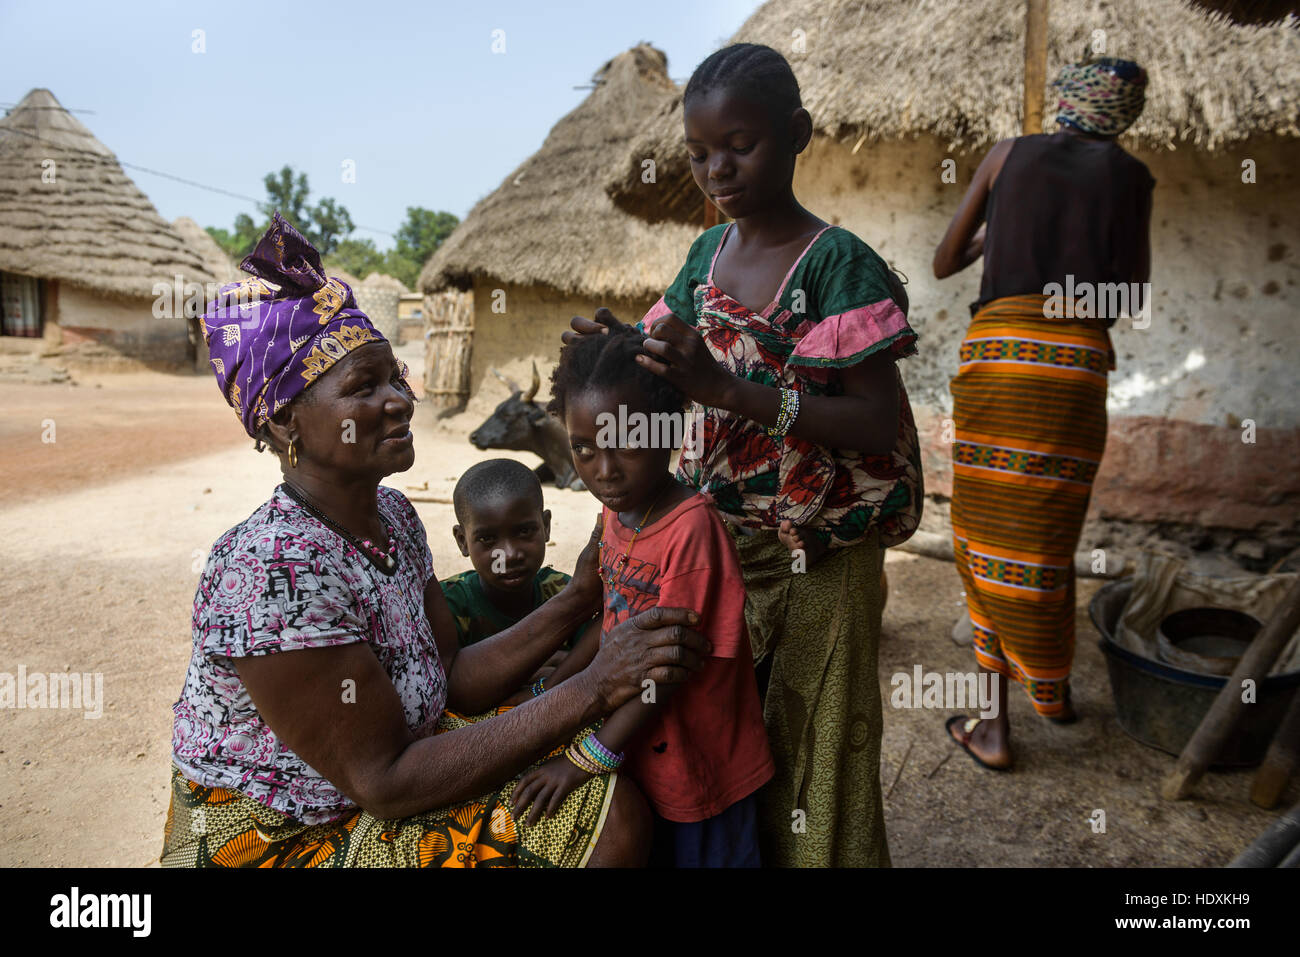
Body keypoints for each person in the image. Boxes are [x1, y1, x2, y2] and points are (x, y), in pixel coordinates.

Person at [162, 213, 711, 868]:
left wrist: (579, 597)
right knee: (602, 816)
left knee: (597, 757)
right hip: (282, 835)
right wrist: (594, 683)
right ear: (285, 422)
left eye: (394, 376)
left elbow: (453, 678)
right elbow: (387, 782)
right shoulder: (272, 569)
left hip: (381, 775)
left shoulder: (392, 515)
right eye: (364, 386)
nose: (400, 399)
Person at [564, 44, 922, 867]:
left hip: (823, 548)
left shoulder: (838, 265)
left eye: (740, 144)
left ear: (796, 134)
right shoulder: (706, 259)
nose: (717, 168)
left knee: (818, 739)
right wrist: (617, 345)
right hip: (723, 540)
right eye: (698, 154)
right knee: (732, 732)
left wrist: (729, 393)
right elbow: (668, 359)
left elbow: (875, 424)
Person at [932, 57, 1154, 770]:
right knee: (1046, 535)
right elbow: (1129, 299)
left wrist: (1001, 231)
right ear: (1124, 115)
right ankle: (1050, 689)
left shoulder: (1007, 156)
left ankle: (995, 727)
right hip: (1071, 366)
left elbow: (943, 262)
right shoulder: (1131, 177)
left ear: (1066, 101)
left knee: (982, 540)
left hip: (998, 356)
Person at [509, 327, 774, 867]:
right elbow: (609, 622)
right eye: (583, 449)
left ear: (667, 431)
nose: (603, 471)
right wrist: (549, 693)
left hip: (699, 767)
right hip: (640, 747)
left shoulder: (690, 530)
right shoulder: (618, 509)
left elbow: (666, 670)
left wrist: (587, 757)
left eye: (624, 445)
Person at [442, 459, 589, 702]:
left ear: (546, 526)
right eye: (488, 539)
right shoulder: (450, 605)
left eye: (523, 532)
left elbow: (593, 665)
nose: (509, 555)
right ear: (462, 541)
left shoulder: (566, 593)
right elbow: (445, 689)